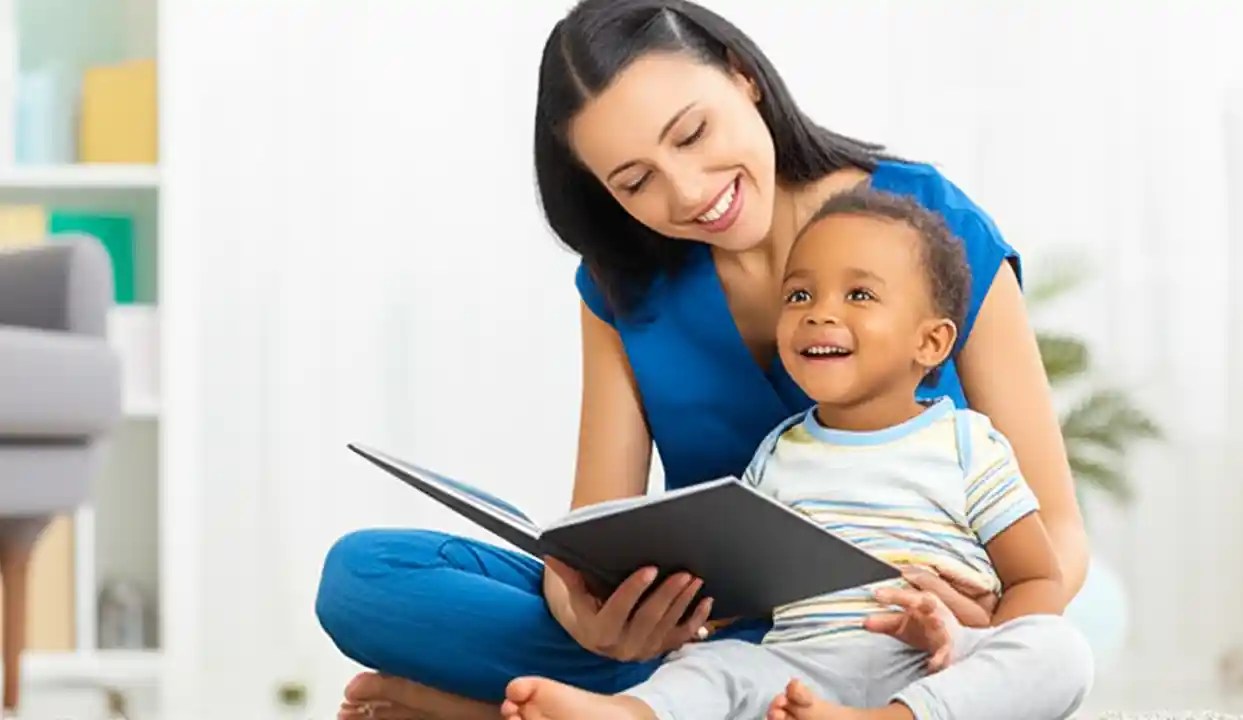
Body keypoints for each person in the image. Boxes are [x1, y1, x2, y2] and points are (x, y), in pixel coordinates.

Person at [314, 1, 1090, 717]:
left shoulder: (928, 226)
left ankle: (509, 710)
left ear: (743, 76)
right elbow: (591, 529)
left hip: (914, 641)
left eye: (691, 134)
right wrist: (591, 619)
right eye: (635, 181)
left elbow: (1057, 533)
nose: (687, 193)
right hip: (718, 644)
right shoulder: (622, 284)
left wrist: (989, 618)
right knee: (365, 576)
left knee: (1046, 654)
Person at [499, 187, 1094, 720]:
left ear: (931, 341)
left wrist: (970, 639)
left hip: (932, 665)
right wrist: (677, 604)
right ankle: (630, 716)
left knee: (1059, 650)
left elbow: (1037, 577)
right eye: (800, 293)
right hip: (803, 671)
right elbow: (744, 590)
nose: (820, 312)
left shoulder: (967, 444)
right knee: (717, 666)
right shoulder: (778, 453)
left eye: (859, 293)